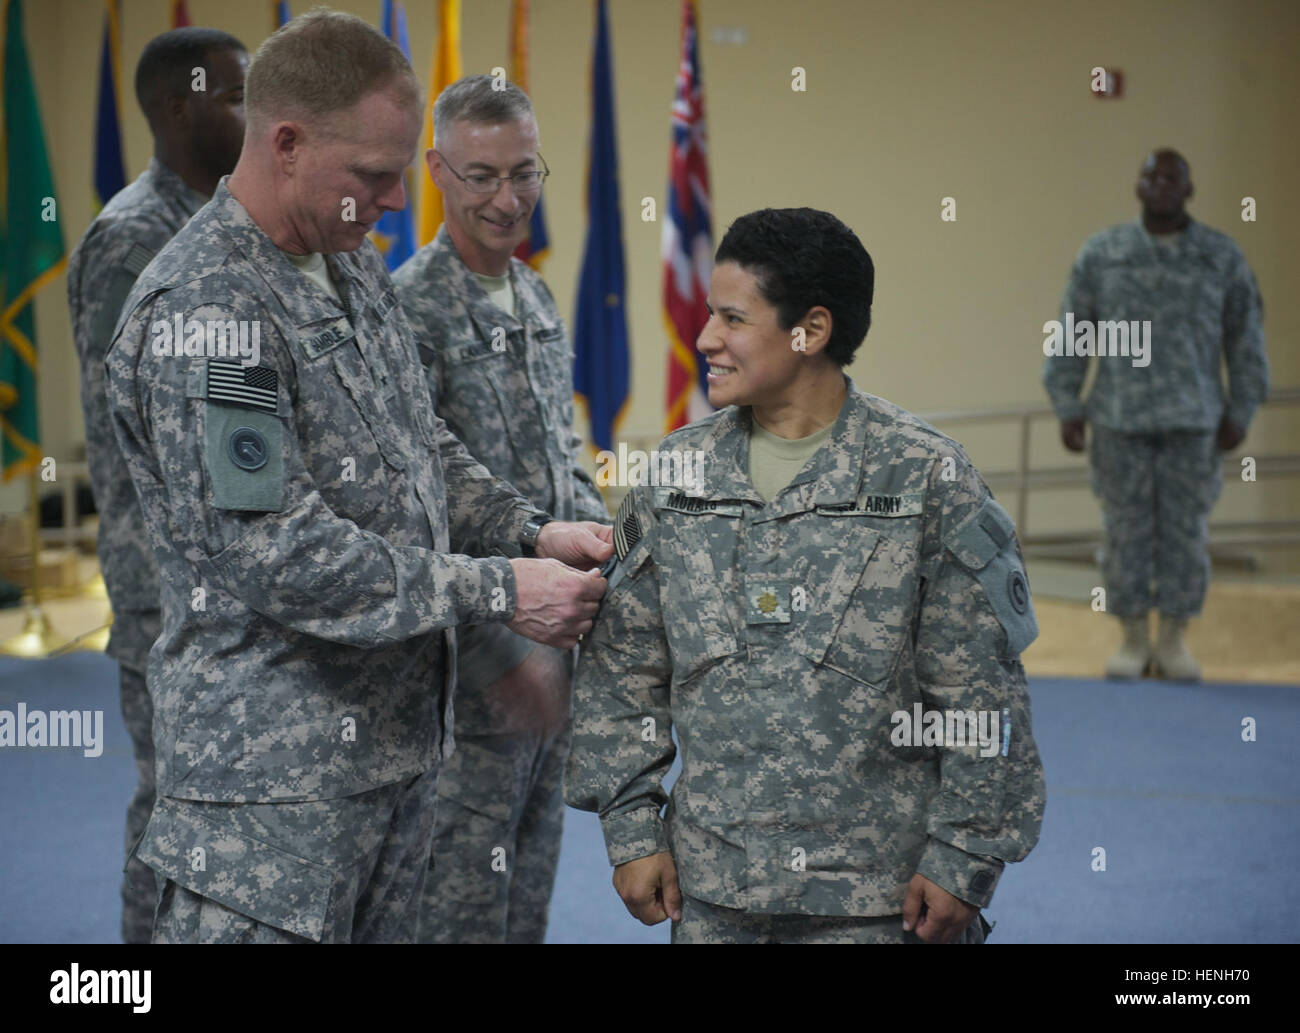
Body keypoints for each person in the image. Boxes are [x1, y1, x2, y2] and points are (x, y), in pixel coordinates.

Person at [105, 8, 610, 944]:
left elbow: (424, 453)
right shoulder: (212, 307)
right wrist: (503, 587)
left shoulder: (349, 266)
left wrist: (529, 531)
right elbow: (280, 553)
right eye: (374, 175)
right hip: (270, 800)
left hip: (395, 762)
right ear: (287, 144)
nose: (391, 200)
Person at [565, 208, 1045, 944]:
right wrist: (632, 828)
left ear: (810, 331)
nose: (705, 339)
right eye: (708, 314)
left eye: (732, 317)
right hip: (714, 892)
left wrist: (964, 856)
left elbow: (981, 691)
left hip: (882, 900)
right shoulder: (675, 474)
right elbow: (624, 667)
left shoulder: (926, 477)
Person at [393, 75, 608, 944]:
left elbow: (564, 454)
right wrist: (501, 657)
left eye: (524, 172)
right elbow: (418, 504)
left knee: (528, 900)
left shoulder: (538, 298)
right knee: (460, 911)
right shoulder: (409, 310)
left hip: (557, 650)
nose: (507, 197)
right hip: (474, 673)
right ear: (437, 169)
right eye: (480, 176)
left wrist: (606, 545)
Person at [65, 25, 248, 945]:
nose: (255, 117)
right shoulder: (133, 240)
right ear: (181, 106)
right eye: (237, 96)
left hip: (228, 583)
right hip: (165, 588)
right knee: (176, 815)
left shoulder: (221, 224)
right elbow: (151, 435)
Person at [1043, 149, 1269, 681]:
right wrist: (1068, 401)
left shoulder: (1220, 257)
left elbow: (1245, 339)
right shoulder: (1104, 253)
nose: (1160, 184)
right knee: (1124, 531)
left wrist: (1242, 407)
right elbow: (1074, 328)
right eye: (1151, 175)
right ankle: (1131, 638)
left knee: (1186, 533)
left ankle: (1172, 640)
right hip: (1120, 419)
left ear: (1188, 190)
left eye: (1172, 177)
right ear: (1138, 186)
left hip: (1194, 423)